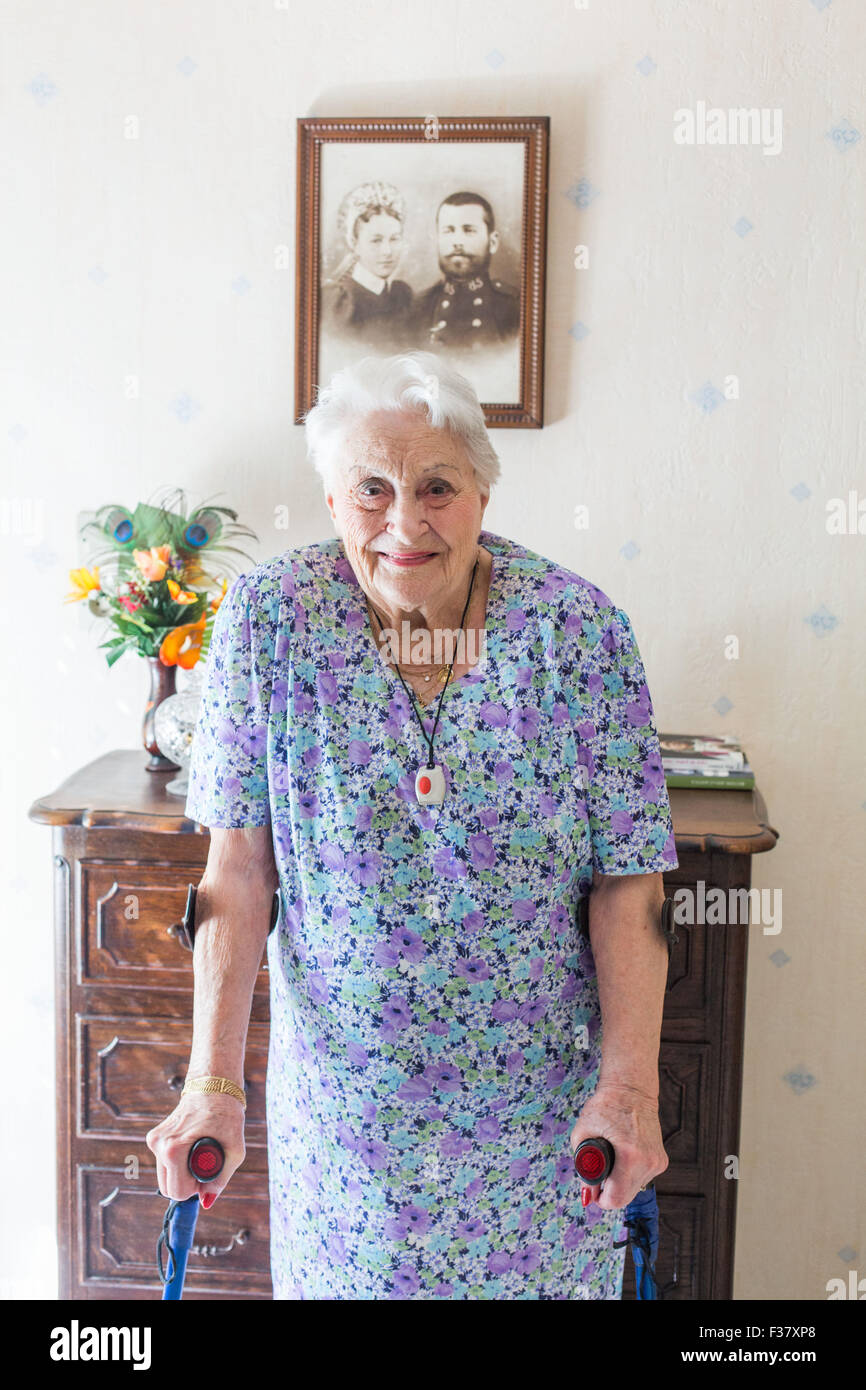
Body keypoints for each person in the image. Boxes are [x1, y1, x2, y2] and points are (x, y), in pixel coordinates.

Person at [146, 350, 677, 1300]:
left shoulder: (578, 631)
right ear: (332, 497)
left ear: (483, 489)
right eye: (371, 490)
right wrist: (211, 1085)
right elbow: (236, 878)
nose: (404, 522)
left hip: (541, 1126)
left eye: (437, 486)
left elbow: (628, 885)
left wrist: (629, 1091)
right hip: (348, 1128)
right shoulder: (269, 622)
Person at [412, 192, 520, 351]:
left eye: (468, 230)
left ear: (493, 242)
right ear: (437, 240)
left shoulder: (515, 306)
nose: (457, 242)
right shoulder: (417, 308)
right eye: (448, 231)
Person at [321, 181, 414, 348]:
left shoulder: (403, 295)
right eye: (376, 241)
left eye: (394, 239)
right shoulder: (340, 301)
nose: (387, 251)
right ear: (354, 243)